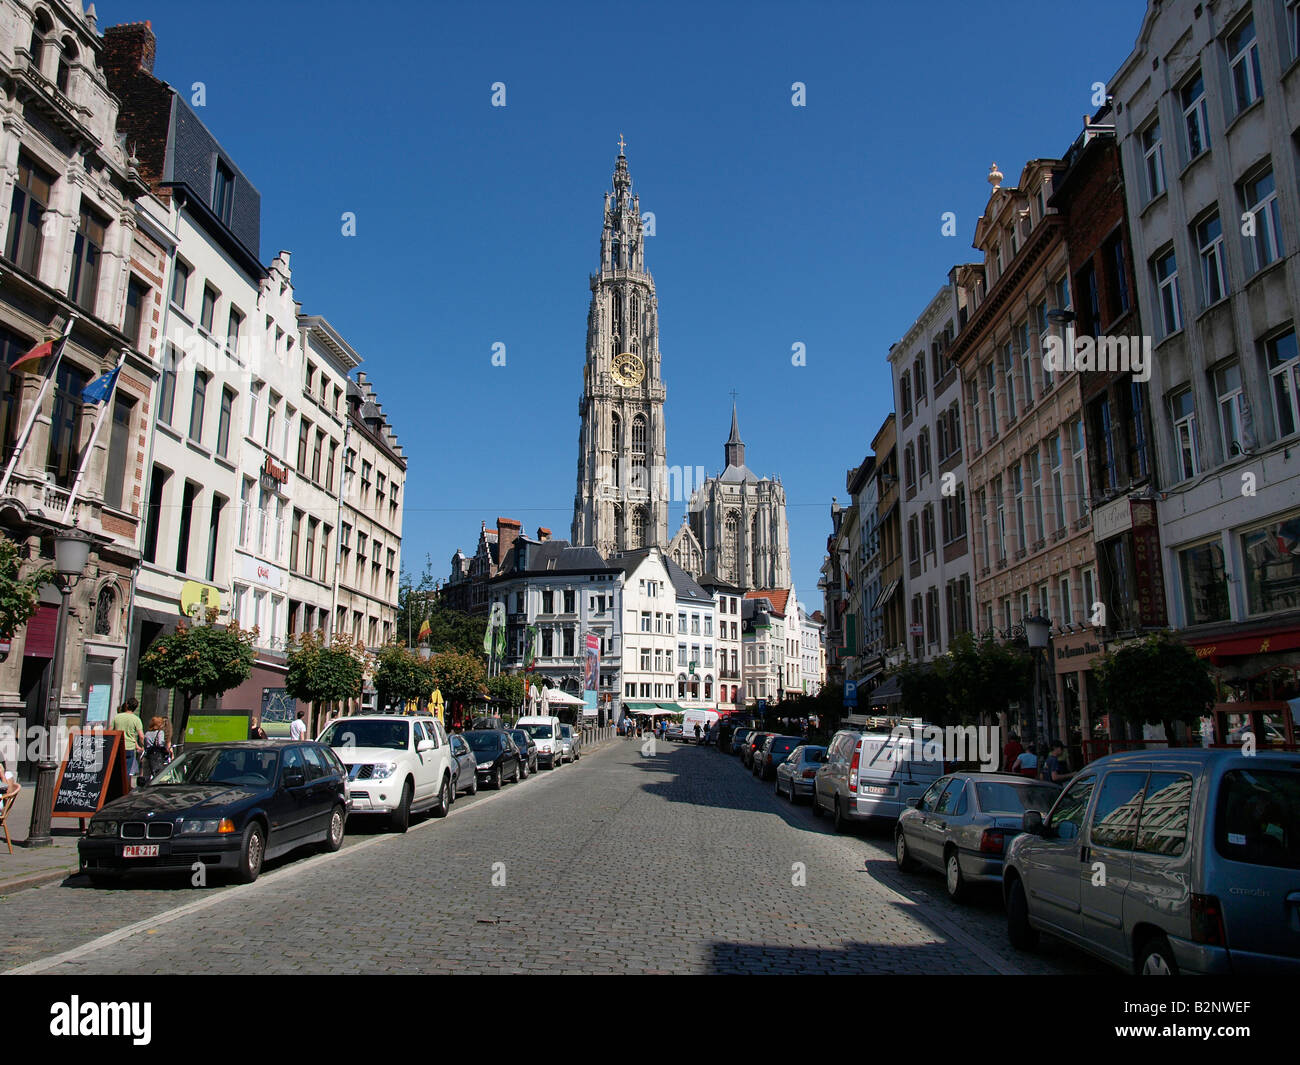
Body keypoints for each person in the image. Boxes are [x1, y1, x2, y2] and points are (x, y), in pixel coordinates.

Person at [111, 697, 145, 785]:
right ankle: (124, 789)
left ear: (126, 705)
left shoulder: (117, 717)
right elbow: (141, 736)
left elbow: (110, 731)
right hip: (129, 748)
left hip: (118, 746)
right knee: (126, 770)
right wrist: (143, 746)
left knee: (116, 769)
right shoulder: (136, 719)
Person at [139, 716, 172, 784]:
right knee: (158, 776)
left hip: (148, 756)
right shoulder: (160, 732)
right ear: (159, 724)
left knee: (146, 776)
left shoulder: (147, 733)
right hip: (157, 757)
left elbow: (145, 746)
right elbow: (160, 744)